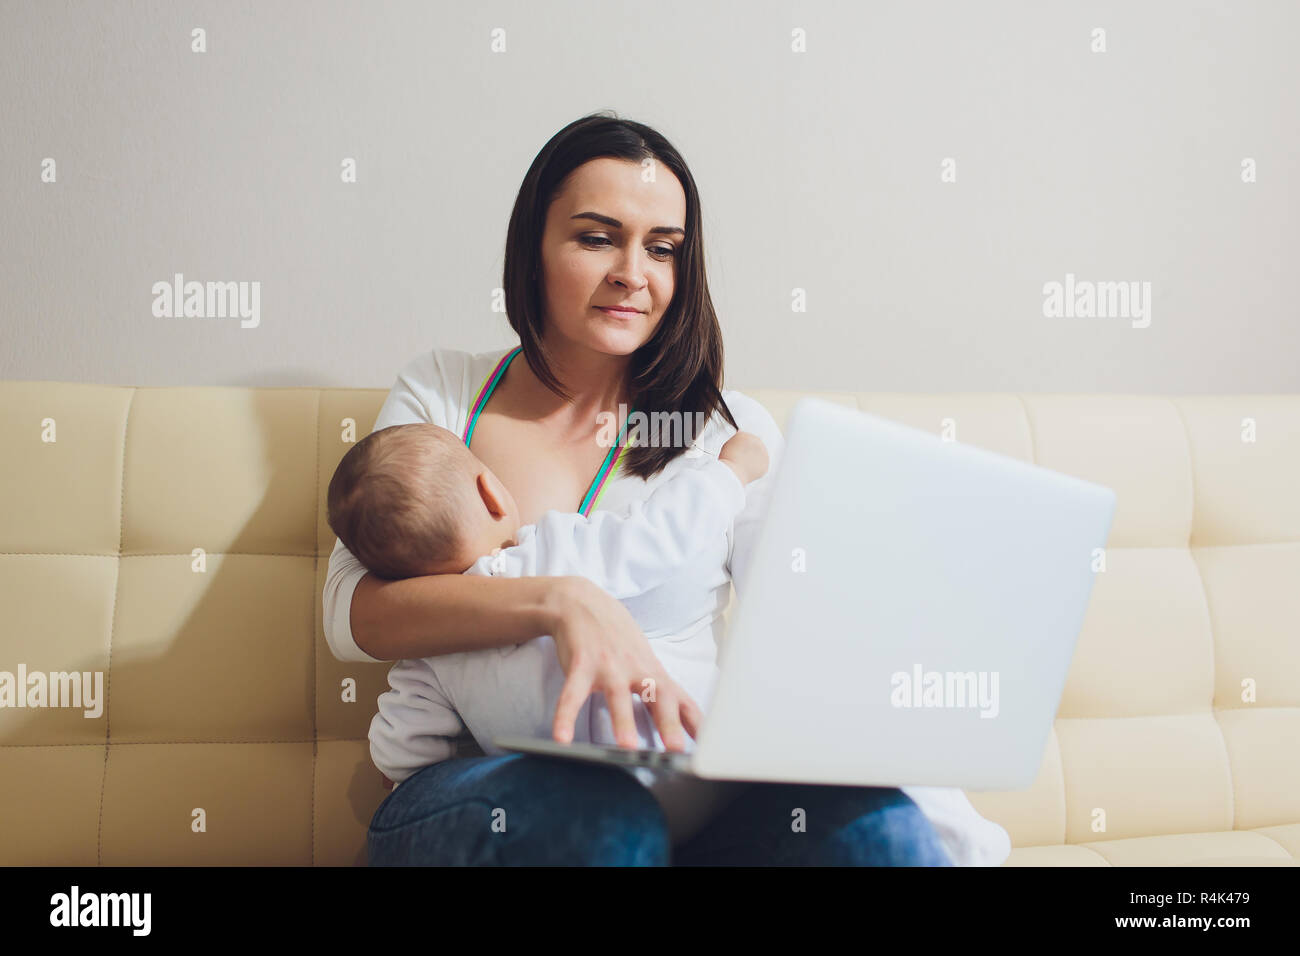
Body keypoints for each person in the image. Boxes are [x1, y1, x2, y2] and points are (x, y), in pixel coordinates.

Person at [322, 111, 966, 865]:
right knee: (600, 822)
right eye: (597, 238)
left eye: (662, 249)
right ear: (532, 248)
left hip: (691, 795)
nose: (634, 272)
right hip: (495, 797)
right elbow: (351, 615)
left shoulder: (732, 438)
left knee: (882, 835)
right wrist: (563, 602)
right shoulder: (443, 394)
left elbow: (807, 642)